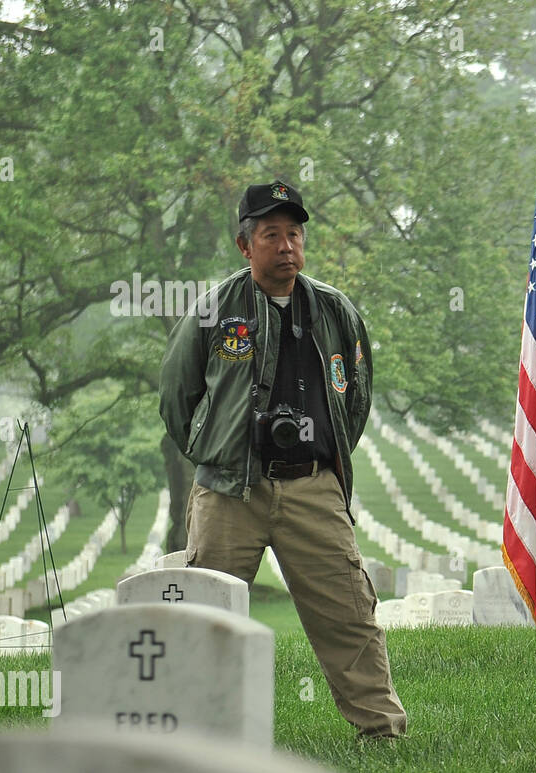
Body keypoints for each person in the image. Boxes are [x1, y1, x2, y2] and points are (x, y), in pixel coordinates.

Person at [159, 179, 407, 740]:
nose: (287, 246)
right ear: (245, 246)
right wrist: (212, 453)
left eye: (294, 234)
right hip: (229, 494)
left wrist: (327, 454)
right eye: (271, 235)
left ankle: (382, 731)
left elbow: (357, 394)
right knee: (208, 616)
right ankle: (193, 734)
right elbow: (176, 397)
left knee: (349, 614)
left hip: (312, 490)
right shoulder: (213, 311)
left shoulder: (335, 310)